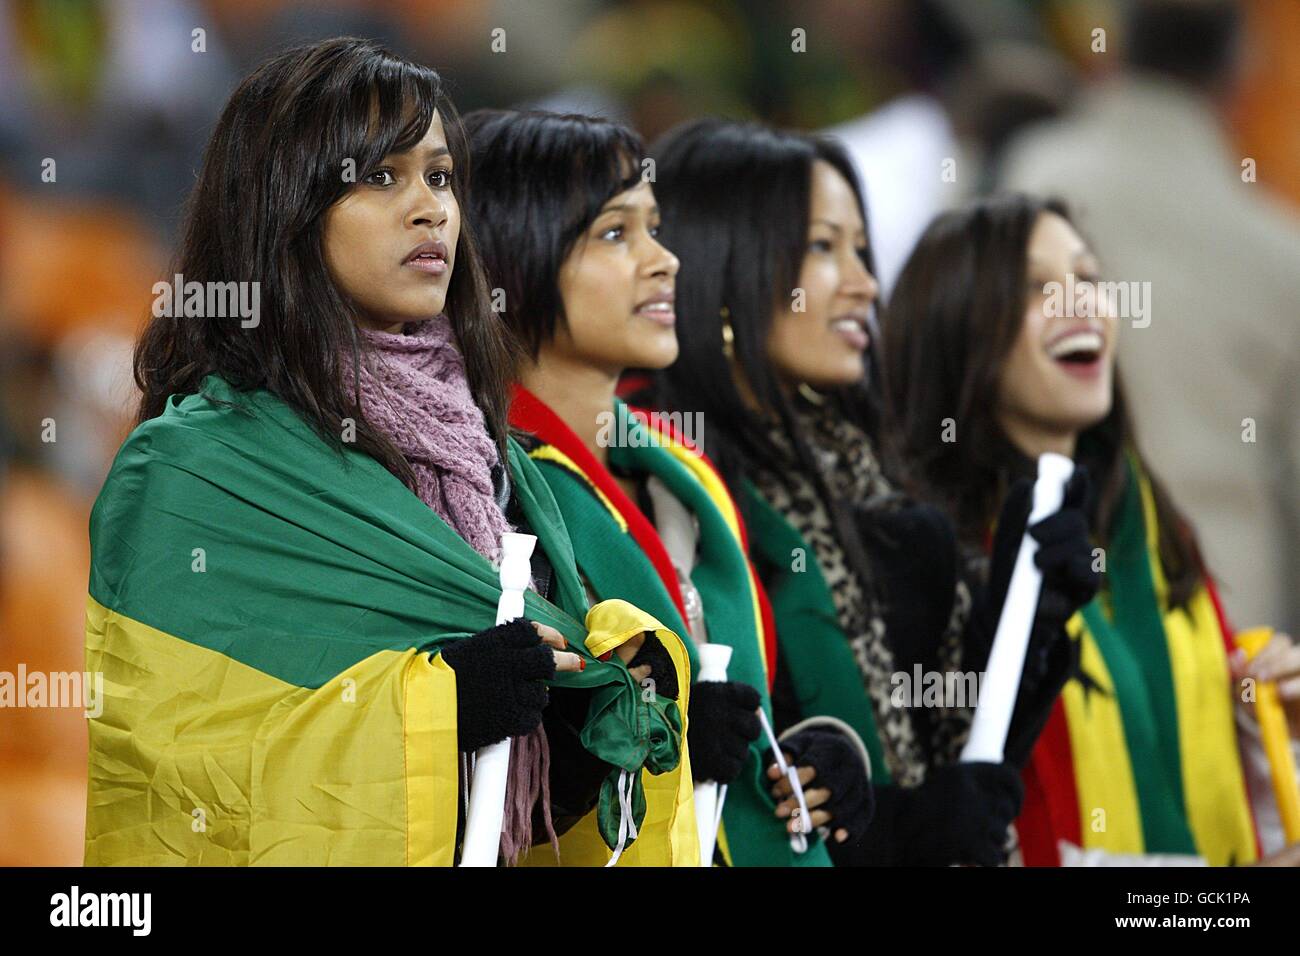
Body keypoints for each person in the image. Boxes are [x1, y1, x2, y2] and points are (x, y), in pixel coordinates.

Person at [85, 37, 694, 867]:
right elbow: (178, 790)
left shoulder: (496, 457)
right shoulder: (192, 473)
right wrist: (438, 710)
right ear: (283, 207)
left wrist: (587, 739)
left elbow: (526, 807)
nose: (431, 208)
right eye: (380, 177)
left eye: (440, 177)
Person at [646, 118, 1098, 865]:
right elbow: (748, 793)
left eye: (860, 248)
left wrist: (1026, 617)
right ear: (729, 264)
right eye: (824, 247)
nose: (863, 281)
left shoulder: (876, 481)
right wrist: (909, 827)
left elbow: (967, 767)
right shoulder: (678, 494)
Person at [466, 108, 875, 866]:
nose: (665, 261)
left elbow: (738, 701)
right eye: (617, 233)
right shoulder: (480, 488)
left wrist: (803, 755)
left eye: (655, 228)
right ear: (516, 253)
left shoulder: (681, 469)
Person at [881, 193, 1300, 864]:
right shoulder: (931, 557)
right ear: (955, 327)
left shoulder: (1146, 518)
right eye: (1036, 288)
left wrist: (1267, 719)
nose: (1081, 305)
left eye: (1087, 279)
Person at [999, 0, 1300, 637]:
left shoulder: (1028, 176)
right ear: (1240, 70)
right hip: (1230, 604)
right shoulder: (1278, 250)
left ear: (1113, 47)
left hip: (1047, 587)